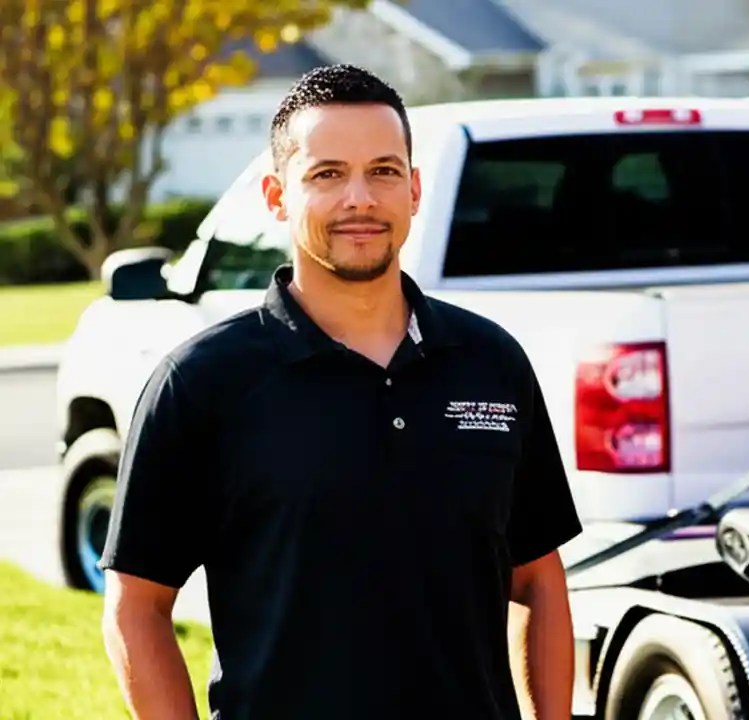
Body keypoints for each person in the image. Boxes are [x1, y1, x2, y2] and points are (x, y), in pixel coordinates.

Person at [100, 64, 583, 720]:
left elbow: (536, 577)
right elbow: (137, 605)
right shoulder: (203, 382)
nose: (361, 198)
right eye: (327, 174)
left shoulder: (491, 362)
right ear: (277, 196)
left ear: (414, 189)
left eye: (384, 171)